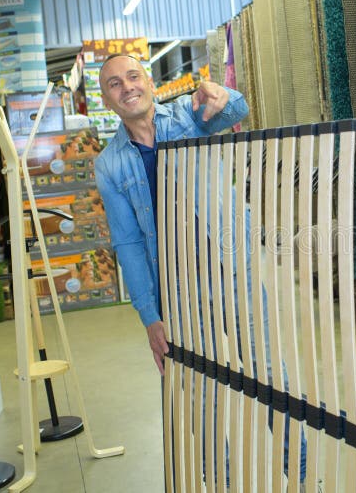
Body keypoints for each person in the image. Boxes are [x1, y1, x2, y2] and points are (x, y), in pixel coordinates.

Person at [94, 53, 248, 373]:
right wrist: (150, 316)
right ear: (107, 101)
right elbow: (128, 243)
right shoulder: (109, 164)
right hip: (177, 289)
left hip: (229, 267)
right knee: (198, 388)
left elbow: (237, 109)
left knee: (269, 374)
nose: (127, 87)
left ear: (149, 83)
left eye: (134, 77)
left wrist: (219, 93)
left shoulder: (186, 117)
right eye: (115, 83)